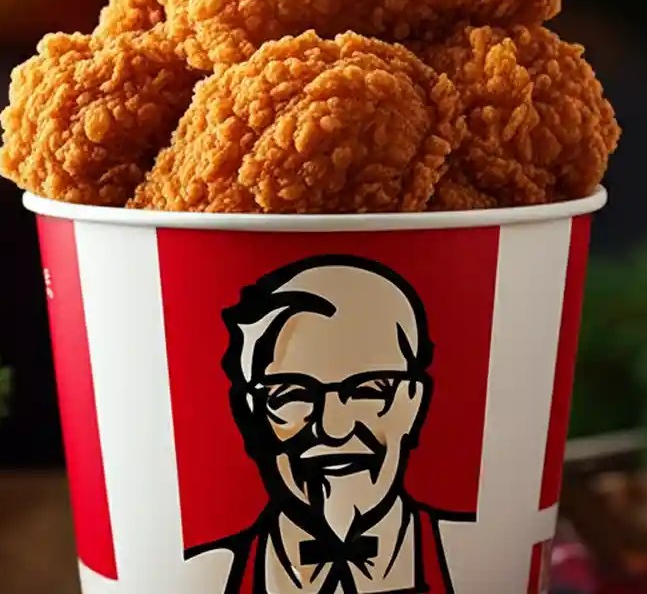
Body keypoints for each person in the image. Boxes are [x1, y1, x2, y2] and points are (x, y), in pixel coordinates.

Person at [190, 254, 459, 594]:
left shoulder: (479, 554)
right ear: (250, 415)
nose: (334, 429)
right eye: (291, 394)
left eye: (369, 390)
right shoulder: (202, 575)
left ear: (414, 403)